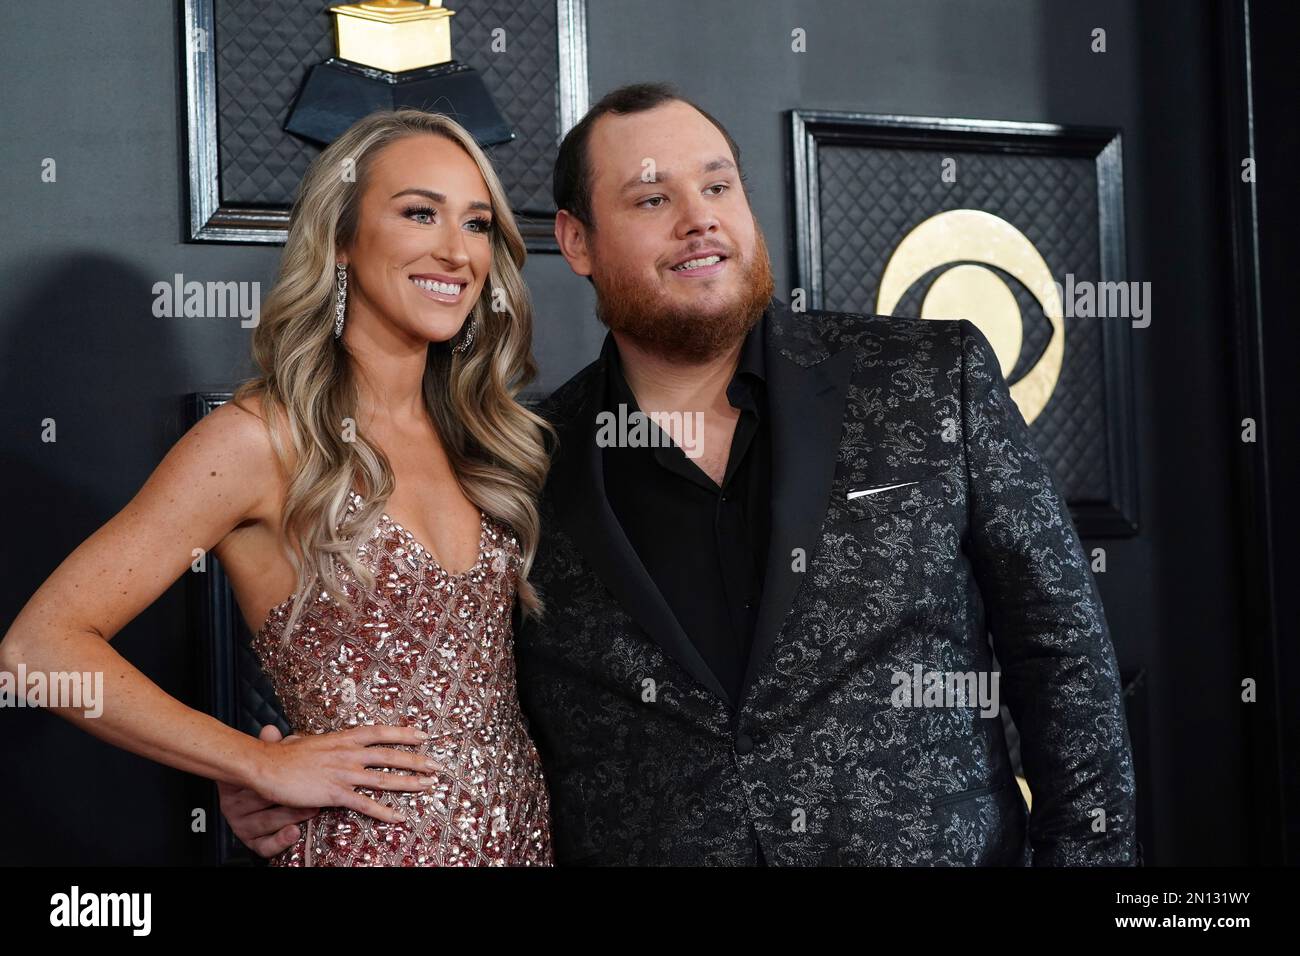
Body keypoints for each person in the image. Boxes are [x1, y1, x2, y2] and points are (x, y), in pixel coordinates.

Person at [224, 83, 1140, 866]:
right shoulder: (513, 461)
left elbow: (1064, 662)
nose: (700, 217)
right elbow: (439, 677)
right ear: (577, 244)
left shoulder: (927, 377)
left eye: (718, 185)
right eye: (652, 198)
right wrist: (278, 772)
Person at [0, 109, 556, 866]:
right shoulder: (260, 440)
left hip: (525, 838)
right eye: (420, 212)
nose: (456, 251)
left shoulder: (486, 437)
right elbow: (39, 649)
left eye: (478, 223)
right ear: (342, 240)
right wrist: (252, 762)